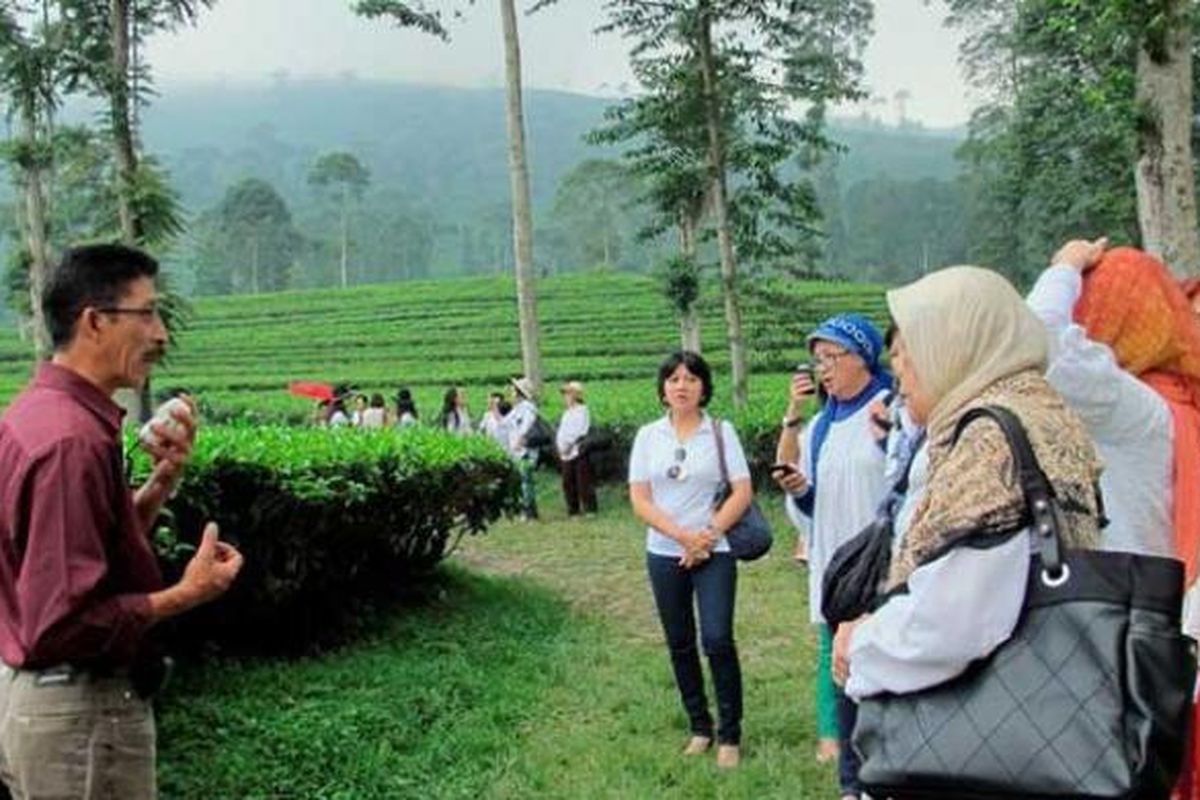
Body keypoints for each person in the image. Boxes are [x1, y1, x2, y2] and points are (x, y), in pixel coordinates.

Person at [0, 244, 244, 798]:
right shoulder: (70, 441)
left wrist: (160, 482)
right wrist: (187, 592)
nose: (161, 334)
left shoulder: (40, 415)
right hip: (80, 715)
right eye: (148, 313)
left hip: (47, 706)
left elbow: (80, 553)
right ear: (94, 321)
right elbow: (62, 623)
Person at [839, 267, 1102, 715]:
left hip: (988, 721)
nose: (899, 368)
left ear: (954, 345)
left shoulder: (989, 439)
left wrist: (861, 645)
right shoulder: (1039, 409)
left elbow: (953, 623)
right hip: (1053, 694)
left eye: (911, 349)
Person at [1028, 241, 1200, 799]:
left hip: (1122, 642)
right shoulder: (1178, 402)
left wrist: (1063, 269)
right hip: (1162, 640)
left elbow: (1039, 343)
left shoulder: (1129, 406)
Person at [771, 313, 890, 796]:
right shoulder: (820, 425)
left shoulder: (888, 411)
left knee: (883, 668)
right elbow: (812, 512)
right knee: (841, 669)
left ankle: (886, 773)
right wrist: (800, 492)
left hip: (883, 570)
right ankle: (851, 783)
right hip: (837, 571)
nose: (822, 369)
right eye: (817, 359)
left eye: (831, 357)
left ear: (861, 356)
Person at [628, 351, 753, 769]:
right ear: (663, 388)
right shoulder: (648, 436)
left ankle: (730, 734)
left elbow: (742, 491)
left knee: (717, 638)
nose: (682, 385)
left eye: (691, 378)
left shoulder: (720, 432)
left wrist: (707, 536)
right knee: (679, 642)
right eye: (674, 378)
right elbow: (639, 499)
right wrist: (682, 537)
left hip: (713, 552)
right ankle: (700, 726)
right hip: (665, 553)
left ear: (704, 387)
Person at [556, 380, 598, 516]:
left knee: (583, 481)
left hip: (578, 450)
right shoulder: (567, 412)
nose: (565, 397)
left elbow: (579, 431)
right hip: (565, 452)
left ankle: (590, 509)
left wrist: (567, 445)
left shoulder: (582, 410)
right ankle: (573, 509)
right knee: (568, 482)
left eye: (568, 394)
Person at [508, 377, 541, 520]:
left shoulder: (527, 408)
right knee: (523, 481)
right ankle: (528, 510)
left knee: (525, 482)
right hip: (518, 451)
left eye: (513, 390)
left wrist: (520, 440)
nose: (510, 393)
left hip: (525, 451)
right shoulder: (517, 408)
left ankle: (529, 511)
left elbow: (527, 426)